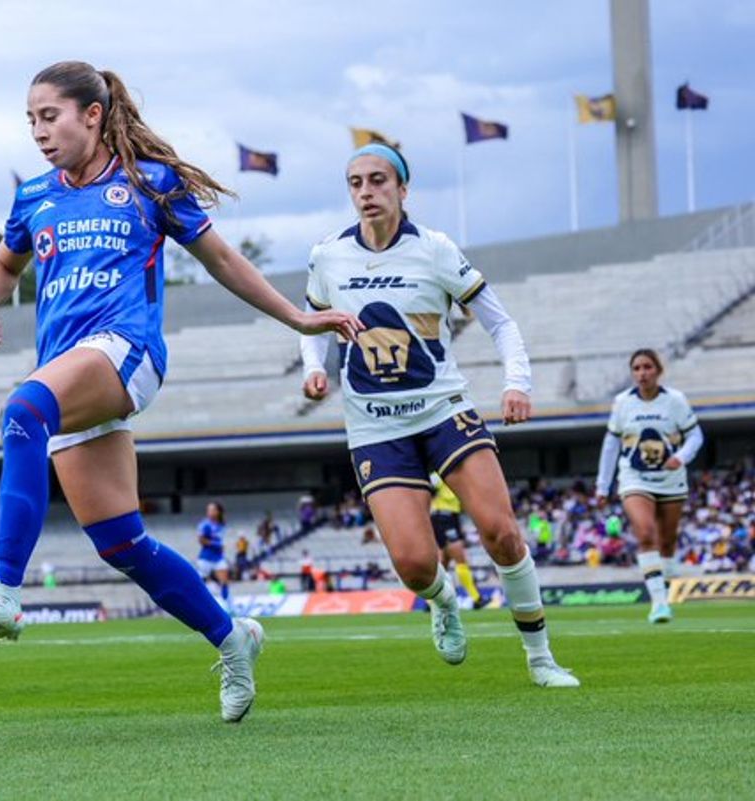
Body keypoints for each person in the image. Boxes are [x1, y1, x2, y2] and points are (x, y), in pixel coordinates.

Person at [0, 60, 360, 722]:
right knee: (121, 542)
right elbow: (6, 261)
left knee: (24, 411)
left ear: (92, 114)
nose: (37, 131)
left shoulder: (150, 183)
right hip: (71, 369)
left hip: (128, 351)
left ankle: (4, 589)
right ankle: (234, 639)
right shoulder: (35, 195)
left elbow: (222, 260)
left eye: (49, 115)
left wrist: (298, 316)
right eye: (29, 119)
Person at [300, 142, 578, 688]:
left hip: (443, 410)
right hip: (376, 427)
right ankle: (443, 600)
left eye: (378, 180)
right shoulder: (327, 255)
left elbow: (502, 323)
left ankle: (541, 658)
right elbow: (312, 320)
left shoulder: (436, 250)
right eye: (355, 183)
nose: (366, 192)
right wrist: (313, 368)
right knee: (415, 566)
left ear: (403, 189)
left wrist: (516, 383)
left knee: (500, 531)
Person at [595, 348, 703, 623]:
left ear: (658, 370)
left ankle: (663, 597)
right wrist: (602, 486)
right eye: (637, 368)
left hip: (671, 480)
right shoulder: (622, 402)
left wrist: (681, 457)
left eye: (647, 367)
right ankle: (658, 604)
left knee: (667, 543)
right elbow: (611, 445)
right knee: (645, 534)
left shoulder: (675, 400)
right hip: (634, 477)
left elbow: (696, 436)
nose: (642, 373)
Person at [429, 473, 488, 609]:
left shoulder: (452, 473)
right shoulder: (438, 474)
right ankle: (476, 598)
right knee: (460, 558)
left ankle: (431, 601)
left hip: (451, 517)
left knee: (443, 562)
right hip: (443, 517)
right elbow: (429, 488)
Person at [196, 501, 231, 611]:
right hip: (205, 558)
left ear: (218, 511)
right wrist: (216, 544)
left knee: (224, 581)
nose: (209, 512)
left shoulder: (222, 524)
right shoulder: (205, 524)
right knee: (201, 583)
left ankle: (227, 608)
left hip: (218, 557)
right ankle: (199, 606)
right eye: (208, 510)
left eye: (212, 510)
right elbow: (201, 540)